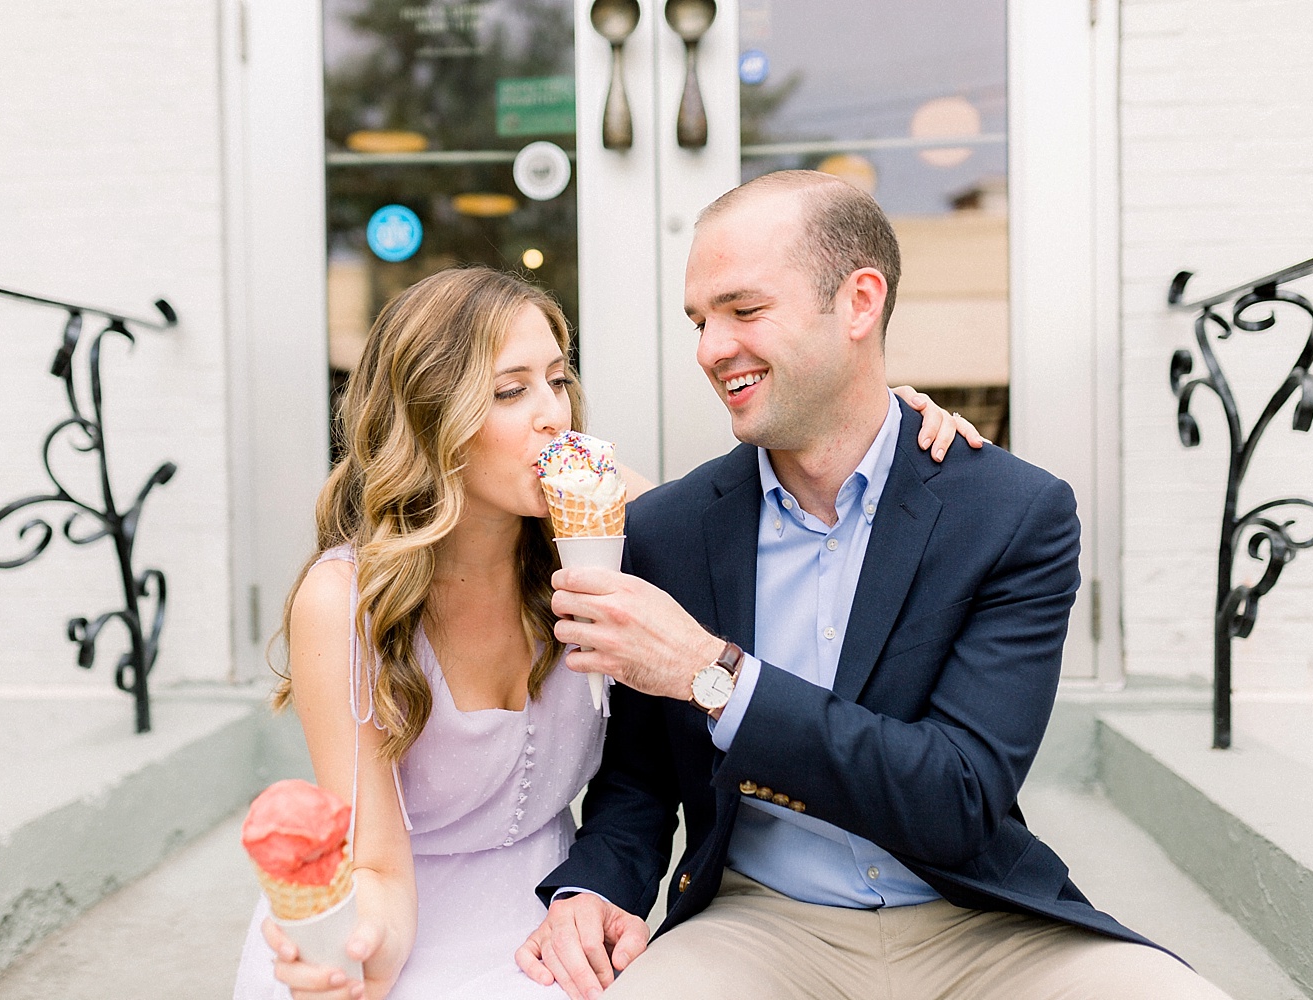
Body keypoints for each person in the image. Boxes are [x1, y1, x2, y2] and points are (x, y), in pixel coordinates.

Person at [517, 171, 1232, 1000]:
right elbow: (636, 780)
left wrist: (715, 676)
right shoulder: (667, 531)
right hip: (758, 922)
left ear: (859, 303)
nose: (712, 348)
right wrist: (591, 889)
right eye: (700, 321)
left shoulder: (1012, 513)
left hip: (981, 922)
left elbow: (958, 797)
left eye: (744, 311)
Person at [232, 265, 978, 1000]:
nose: (554, 415)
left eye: (557, 380)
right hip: (399, 913)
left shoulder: (617, 529)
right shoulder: (347, 599)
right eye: (509, 391)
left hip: (558, 910)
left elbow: (796, 497)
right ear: (429, 421)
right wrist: (358, 962)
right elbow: (380, 870)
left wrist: (888, 428)